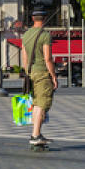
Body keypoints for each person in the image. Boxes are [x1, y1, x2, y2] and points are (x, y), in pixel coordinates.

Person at [19, 10, 56, 150]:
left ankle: (36, 133)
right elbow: (48, 58)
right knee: (42, 103)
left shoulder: (26, 34)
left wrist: (27, 71)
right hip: (42, 73)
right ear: (45, 18)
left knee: (35, 103)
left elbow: (24, 56)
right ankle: (35, 135)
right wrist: (53, 75)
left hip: (31, 73)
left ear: (33, 18)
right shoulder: (45, 35)